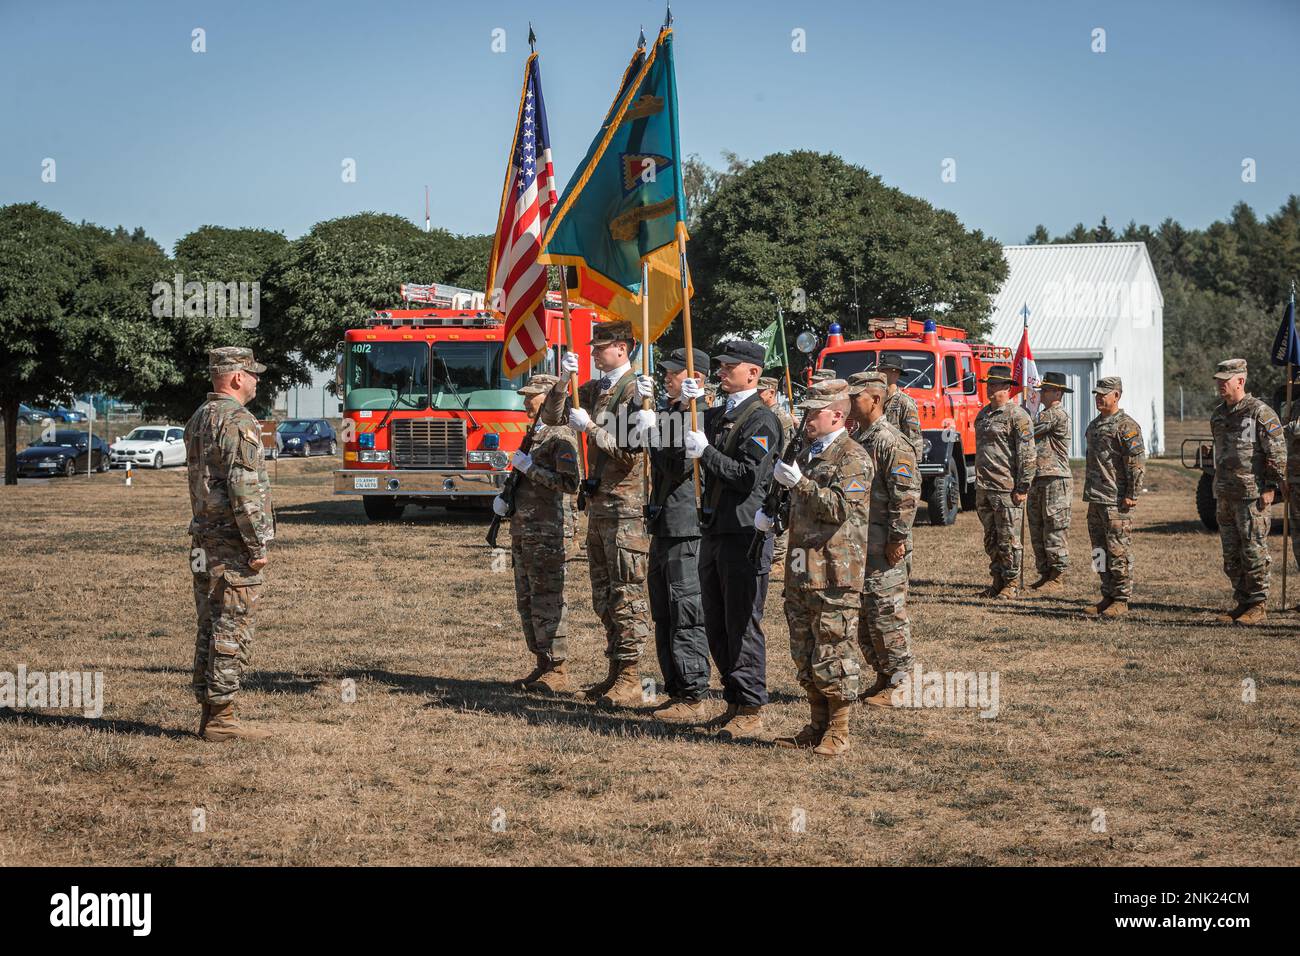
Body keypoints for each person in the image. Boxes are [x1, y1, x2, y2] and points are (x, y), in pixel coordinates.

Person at [544, 321, 655, 706]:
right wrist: (564, 380)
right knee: (604, 593)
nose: (593, 352)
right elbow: (552, 416)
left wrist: (590, 427)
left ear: (622, 349)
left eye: (601, 347)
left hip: (626, 507)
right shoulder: (598, 389)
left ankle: (632, 676)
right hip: (601, 505)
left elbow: (630, 451)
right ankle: (615, 671)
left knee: (627, 593)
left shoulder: (635, 392)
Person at [760, 379, 871, 756]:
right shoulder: (806, 451)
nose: (806, 418)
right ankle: (816, 723)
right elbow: (800, 509)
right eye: (805, 411)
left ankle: (838, 730)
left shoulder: (853, 456)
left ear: (837, 415)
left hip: (835, 572)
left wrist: (801, 484)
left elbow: (838, 508)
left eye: (814, 412)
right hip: (800, 567)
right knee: (804, 650)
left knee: (834, 651)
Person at [683, 339, 782, 740]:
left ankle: (752, 705)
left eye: (729, 368)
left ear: (753, 373)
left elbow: (746, 475)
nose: (721, 373)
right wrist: (680, 403)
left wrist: (706, 452)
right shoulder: (721, 413)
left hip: (744, 532)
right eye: (720, 367)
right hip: (717, 529)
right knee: (718, 621)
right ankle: (734, 699)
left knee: (742, 621)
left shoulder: (761, 420)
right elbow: (680, 435)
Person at [185, 347, 275, 742]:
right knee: (231, 628)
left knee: (209, 625)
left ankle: (210, 710)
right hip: (230, 544)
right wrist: (257, 545)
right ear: (237, 377)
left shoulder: (199, 418)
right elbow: (244, 488)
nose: (257, 380)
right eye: (252, 373)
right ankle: (221, 718)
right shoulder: (237, 420)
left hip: (204, 540)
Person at [494, 373, 581, 693]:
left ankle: (558, 669)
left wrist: (530, 468)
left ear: (547, 398)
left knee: (548, 599)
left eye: (531, 395)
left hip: (549, 531)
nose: (524, 401)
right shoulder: (534, 432)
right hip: (526, 529)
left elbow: (571, 483)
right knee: (527, 600)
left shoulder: (561, 434)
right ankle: (542, 662)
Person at [643, 348, 712, 723]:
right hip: (665, 523)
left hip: (685, 524)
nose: (667, 377)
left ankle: (694, 691)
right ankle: (675, 687)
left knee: (686, 610)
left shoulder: (695, 415)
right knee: (664, 610)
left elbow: (679, 464)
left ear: (694, 378)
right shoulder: (673, 413)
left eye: (674, 373)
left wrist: (657, 428)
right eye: (667, 372)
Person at [845, 371, 920, 705]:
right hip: (862, 544)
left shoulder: (890, 441)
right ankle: (884, 676)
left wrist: (896, 538)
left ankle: (901, 682)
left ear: (874, 399)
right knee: (868, 618)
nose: (848, 403)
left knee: (887, 614)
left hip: (883, 544)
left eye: (854, 397)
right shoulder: (862, 438)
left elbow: (906, 496)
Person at [1208, 358, 1286, 624]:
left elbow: (1276, 452)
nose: (1220, 385)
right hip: (1225, 495)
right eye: (1218, 380)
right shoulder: (1218, 414)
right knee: (1231, 555)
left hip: (1252, 495)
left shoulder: (1259, 413)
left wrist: (1272, 487)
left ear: (1240, 381)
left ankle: (1258, 604)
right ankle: (1242, 602)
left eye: (1225, 381)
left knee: (1253, 551)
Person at [1082, 377, 1146, 618]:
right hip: (1095, 498)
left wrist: (1132, 493)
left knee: (1118, 551)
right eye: (1097, 394)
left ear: (1117, 395)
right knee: (1099, 552)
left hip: (1115, 500)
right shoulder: (1095, 425)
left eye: (1104, 394)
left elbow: (1136, 462)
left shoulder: (1126, 426)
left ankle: (1121, 598)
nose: (1099, 397)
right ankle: (1106, 594)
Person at [974, 366, 1036, 598]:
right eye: (988, 383)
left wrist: (1023, 487)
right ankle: (998, 580)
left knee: (1009, 539)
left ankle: (1011, 583)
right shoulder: (983, 414)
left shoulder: (1017, 416)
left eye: (995, 383)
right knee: (991, 539)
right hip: (984, 486)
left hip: (1006, 488)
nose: (989, 387)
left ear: (1007, 388)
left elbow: (1028, 455)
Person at [1027, 371, 1073, 592]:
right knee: (1037, 527)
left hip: (1055, 478)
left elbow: (1027, 431)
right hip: (1038, 477)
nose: (1041, 393)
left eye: (1045, 390)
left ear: (1057, 392)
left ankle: (1057, 575)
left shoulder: (1056, 414)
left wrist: (1020, 414)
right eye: (1042, 389)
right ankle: (1045, 573)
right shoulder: (1044, 414)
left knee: (1054, 527)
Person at [759, 375, 795, 575]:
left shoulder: (781, 417)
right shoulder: (762, 413)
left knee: (778, 512)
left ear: (771, 392)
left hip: (778, 471)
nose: (757, 395)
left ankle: (778, 559)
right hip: (766, 472)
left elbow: (787, 448)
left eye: (760, 392)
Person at [878, 352, 924, 459]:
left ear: (894, 372)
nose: (878, 373)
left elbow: (914, 437)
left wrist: (913, 464)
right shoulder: (877, 400)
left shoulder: (905, 402)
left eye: (882, 370)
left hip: (898, 459)